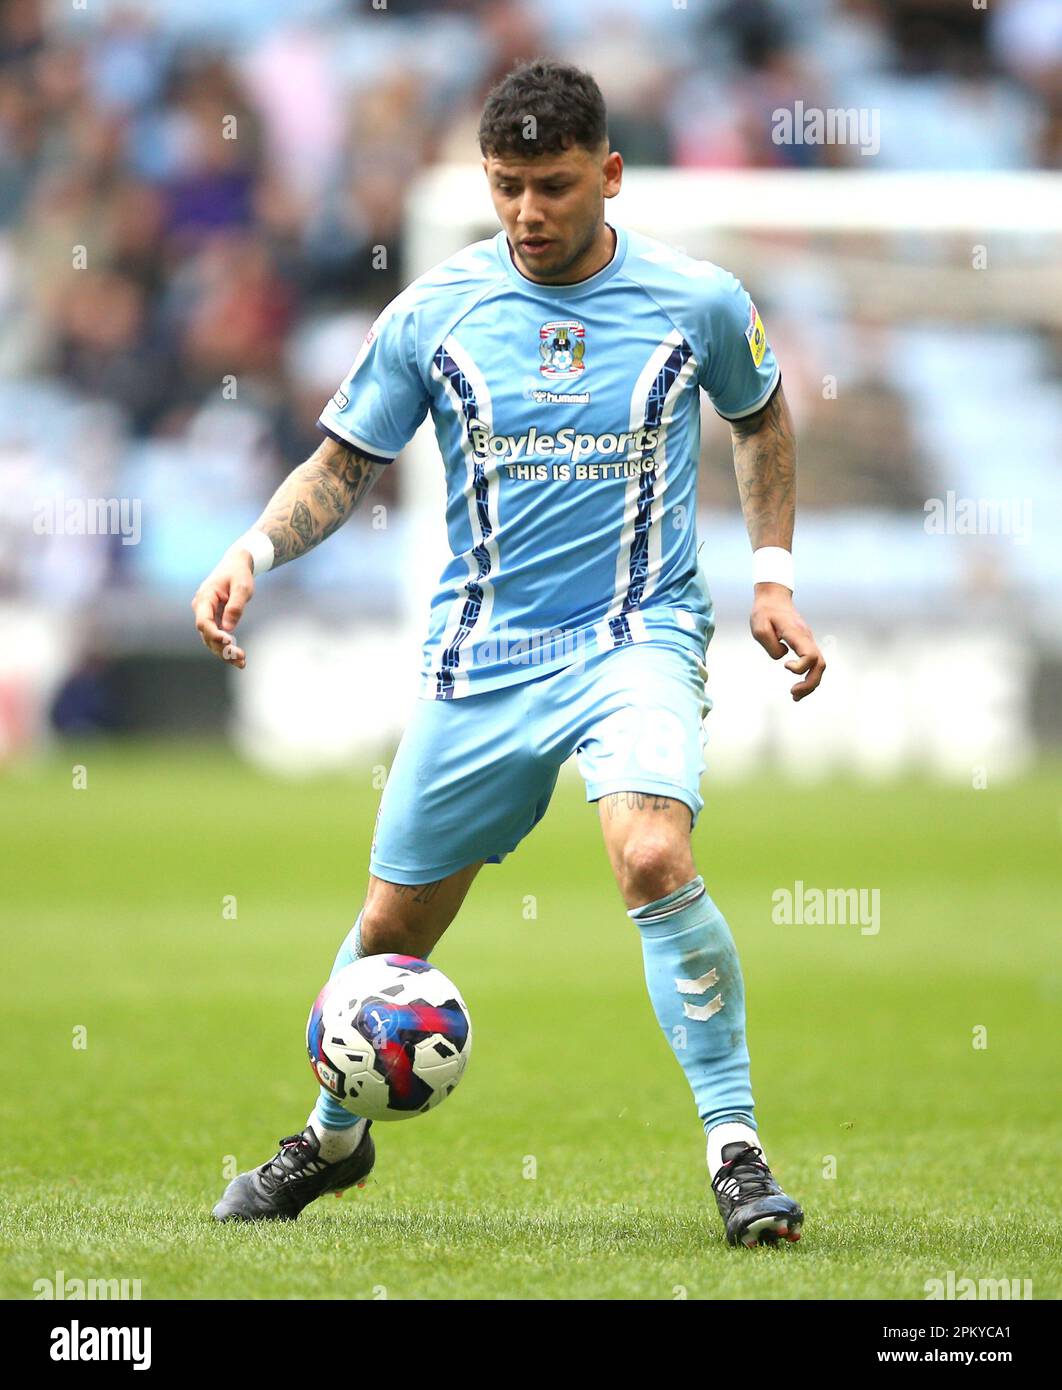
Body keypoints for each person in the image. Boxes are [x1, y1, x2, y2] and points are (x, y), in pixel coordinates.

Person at [193, 59, 826, 1247]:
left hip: (637, 634)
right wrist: (254, 552)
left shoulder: (695, 301)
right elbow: (343, 464)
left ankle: (735, 1150)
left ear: (612, 174)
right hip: (482, 658)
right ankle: (332, 1140)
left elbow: (761, 413)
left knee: (650, 852)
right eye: (506, 186)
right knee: (387, 937)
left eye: (553, 184)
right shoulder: (436, 311)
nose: (528, 212)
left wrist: (774, 578)